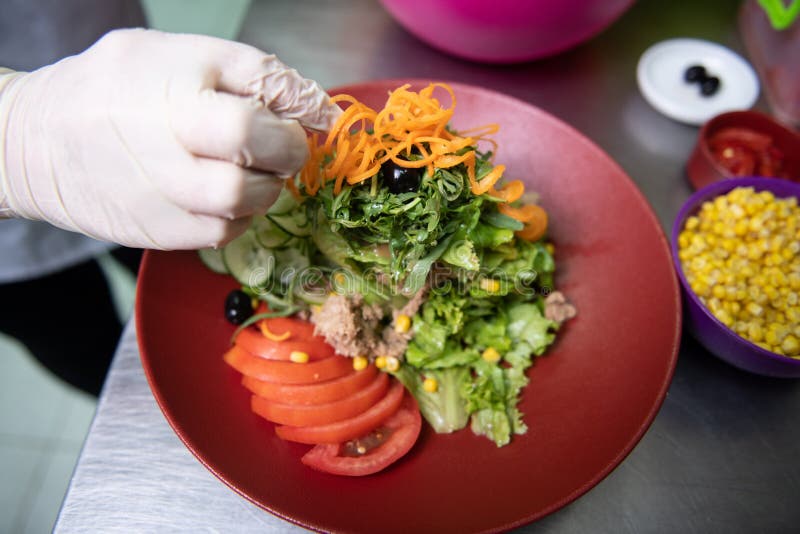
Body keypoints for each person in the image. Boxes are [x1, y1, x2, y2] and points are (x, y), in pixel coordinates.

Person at [0, 23, 340, 394]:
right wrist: (16, 127)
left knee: (170, 275)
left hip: (146, 93)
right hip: (12, 264)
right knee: (81, 343)